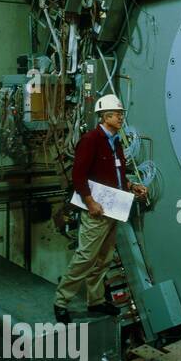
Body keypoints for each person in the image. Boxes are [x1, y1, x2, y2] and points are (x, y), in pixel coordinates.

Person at [54, 94, 147, 323]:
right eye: (118, 114)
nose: (121, 118)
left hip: (113, 208)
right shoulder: (91, 139)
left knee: (104, 258)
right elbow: (78, 175)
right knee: (86, 256)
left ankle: (95, 301)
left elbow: (116, 174)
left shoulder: (115, 141)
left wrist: (131, 186)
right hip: (96, 210)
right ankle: (61, 301)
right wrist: (90, 202)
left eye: (121, 114)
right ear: (105, 117)